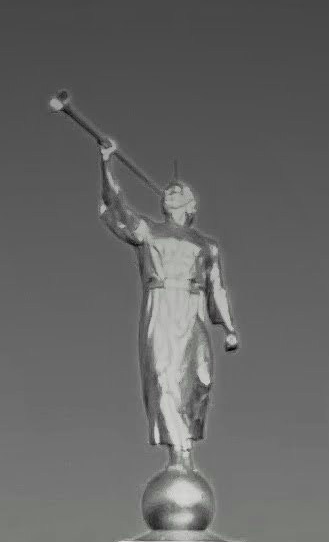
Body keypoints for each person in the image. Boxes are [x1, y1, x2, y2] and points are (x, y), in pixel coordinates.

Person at [98, 152, 239, 461]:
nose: (173, 191)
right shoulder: (149, 231)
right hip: (161, 303)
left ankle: (187, 438)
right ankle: (179, 452)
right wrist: (106, 164)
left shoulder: (206, 245)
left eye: (180, 191)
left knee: (198, 375)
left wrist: (229, 328)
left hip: (193, 306)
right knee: (163, 374)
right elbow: (118, 207)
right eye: (170, 190)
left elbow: (218, 288)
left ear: (191, 205)